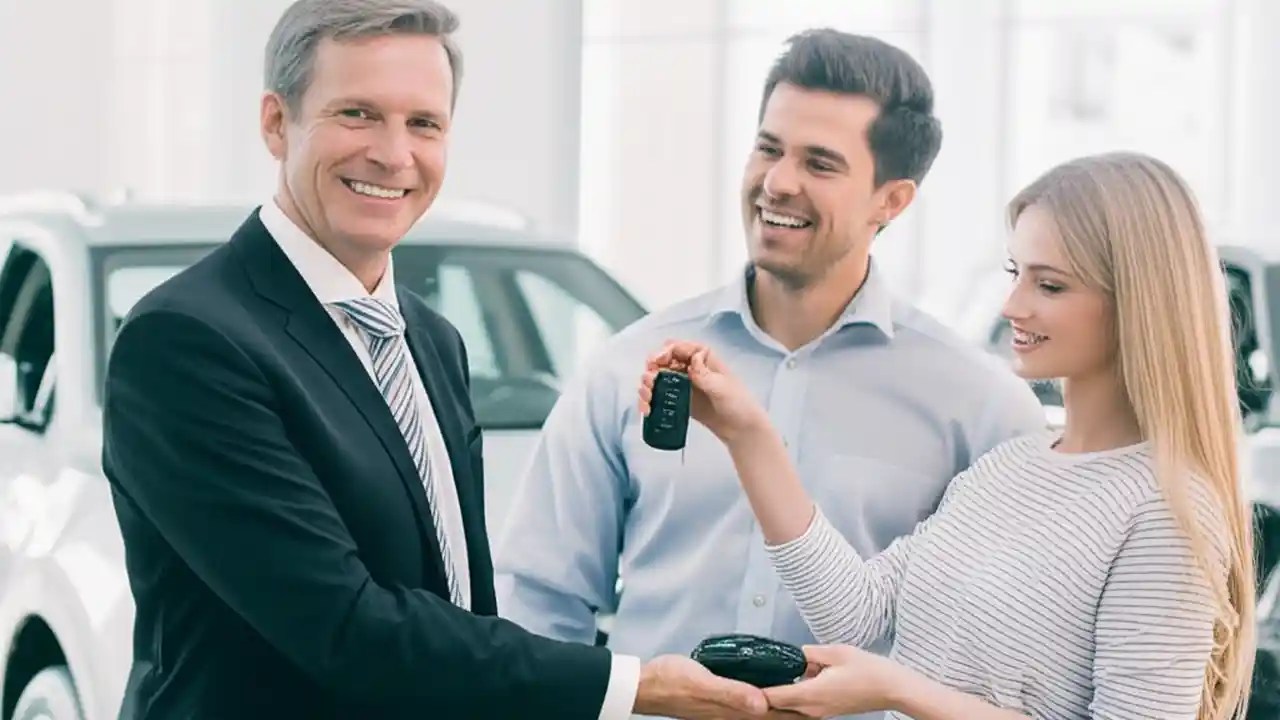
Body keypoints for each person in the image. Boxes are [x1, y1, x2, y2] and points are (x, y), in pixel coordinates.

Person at [99, 1, 776, 718]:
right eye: (357, 114)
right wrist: (634, 684)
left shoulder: (433, 340)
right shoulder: (187, 341)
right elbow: (343, 627)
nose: (395, 155)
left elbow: (460, 603)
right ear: (276, 122)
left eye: (424, 123)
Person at [494, 27, 1045, 719]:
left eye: (820, 163)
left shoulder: (981, 406)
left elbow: (1006, 649)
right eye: (768, 148)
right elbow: (541, 599)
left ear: (892, 200)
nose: (778, 183)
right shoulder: (627, 367)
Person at [639, 152, 1257, 719]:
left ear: (1138, 303)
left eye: (1050, 284)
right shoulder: (1007, 467)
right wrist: (746, 433)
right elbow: (856, 613)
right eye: (1016, 272)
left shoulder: (1167, 513)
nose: (1012, 305)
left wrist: (897, 688)